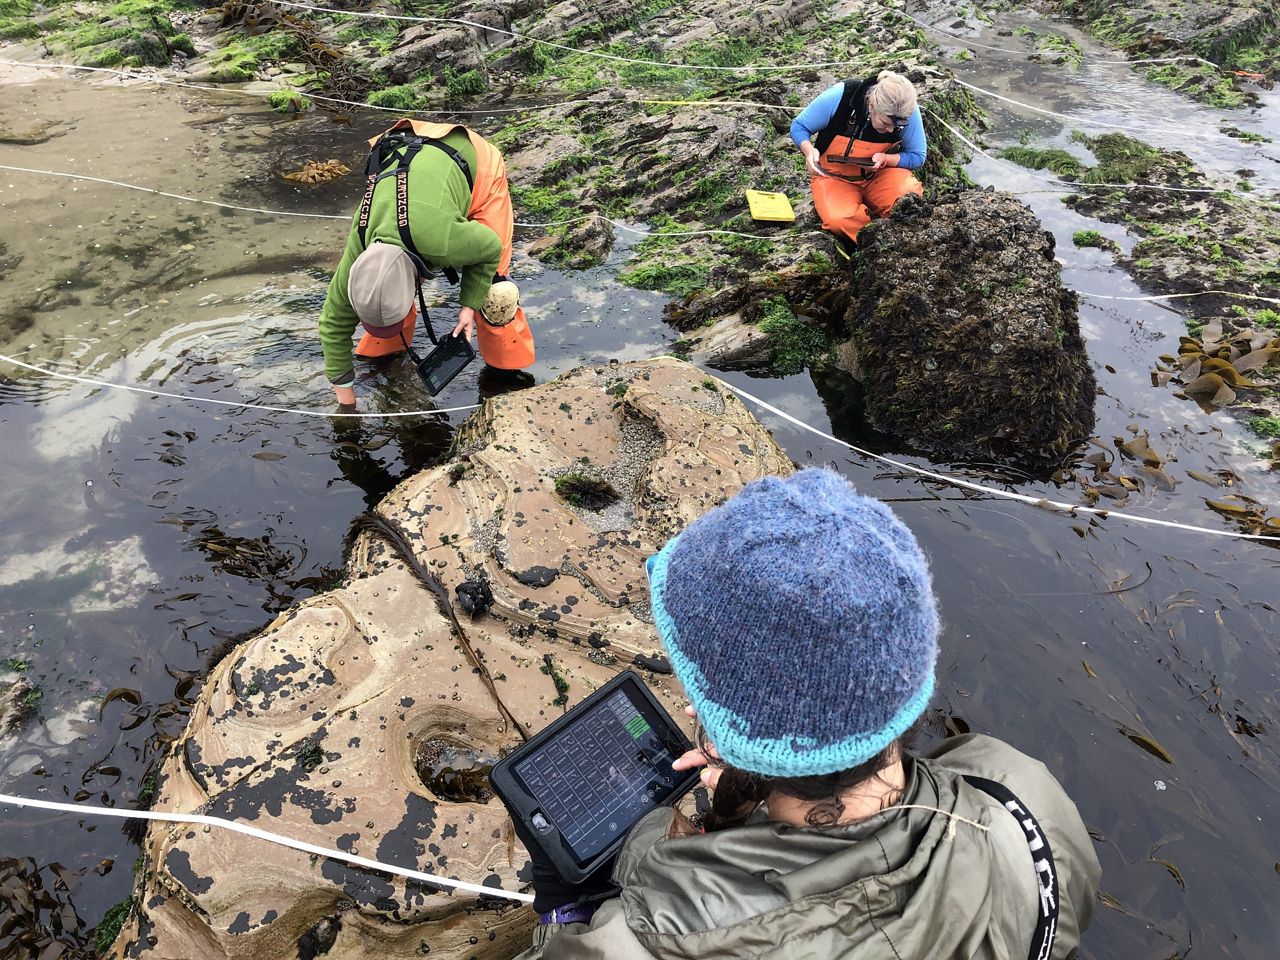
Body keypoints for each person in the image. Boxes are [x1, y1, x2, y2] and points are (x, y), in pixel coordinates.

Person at [513, 468, 1101, 959]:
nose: (691, 705)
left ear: (738, 730)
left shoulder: (653, 939)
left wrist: (563, 908)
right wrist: (750, 800)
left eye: (703, 688)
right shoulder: (1018, 790)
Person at [318, 119, 535, 407]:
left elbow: (489, 248)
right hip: (410, 155)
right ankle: (384, 358)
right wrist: (347, 402)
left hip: (471, 161)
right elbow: (332, 323)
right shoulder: (361, 247)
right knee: (386, 290)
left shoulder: (441, 241)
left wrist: (468, 307)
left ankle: (506, 373)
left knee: (496, 293)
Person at [790, 70, 927, 254]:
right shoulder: (841, 96)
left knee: (909, 199)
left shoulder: (907, 112)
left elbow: (918, 155)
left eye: (898, 126)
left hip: (879, 174)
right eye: (885, 122)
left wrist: (887, 159)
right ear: (871, 105)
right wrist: (809, 151)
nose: (891, 129)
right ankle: (875, 248)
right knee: (839, 220)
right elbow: (799, 127)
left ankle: (902, 243)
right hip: (833, 176)